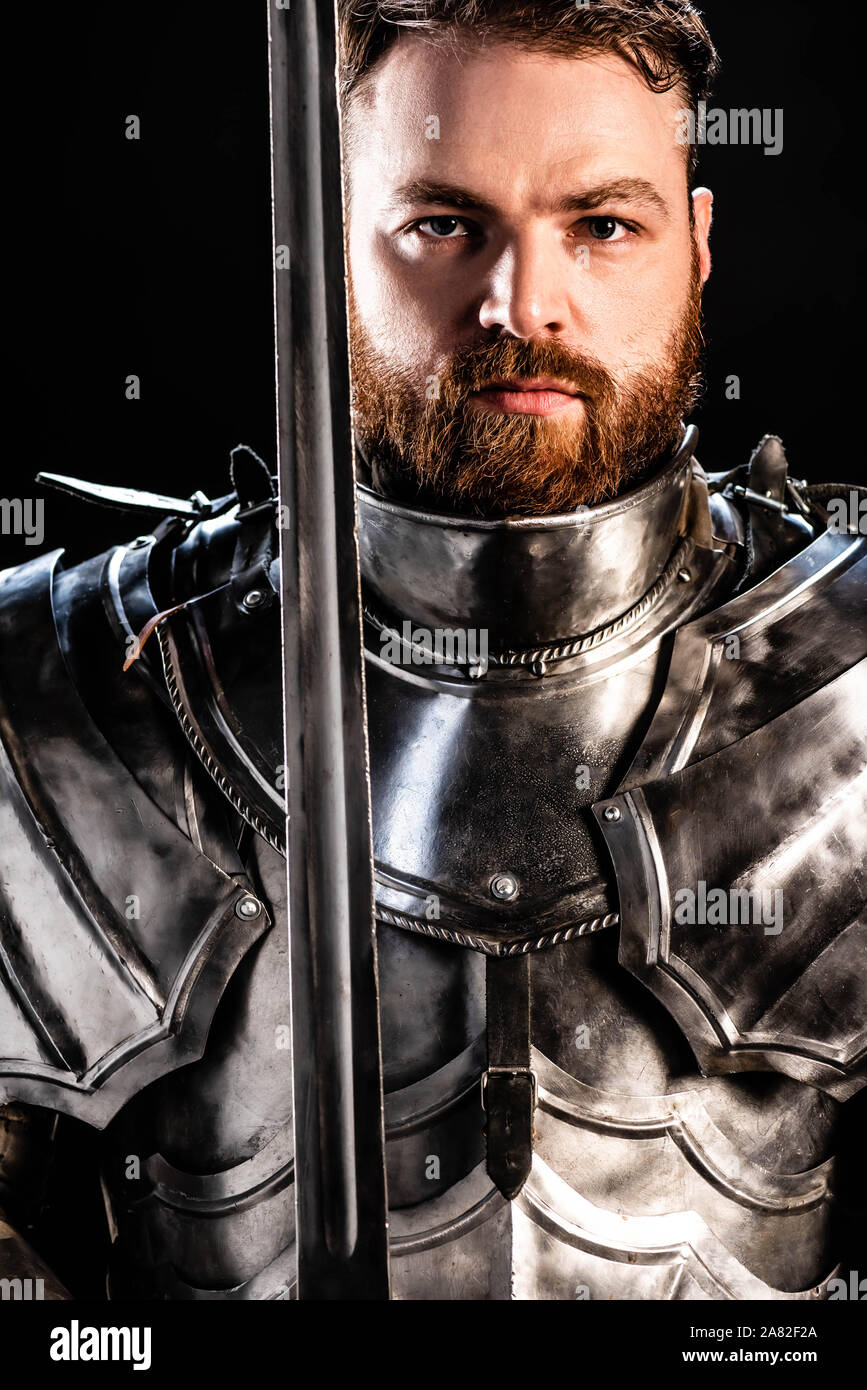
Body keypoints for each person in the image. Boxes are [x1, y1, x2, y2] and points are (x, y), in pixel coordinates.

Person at [0, 0, 864, 1301]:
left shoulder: (851, 687)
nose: (523, 304)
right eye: (444, 225)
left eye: (602, 225)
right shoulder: (59, 690)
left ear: (695, 246)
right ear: (328, 247)